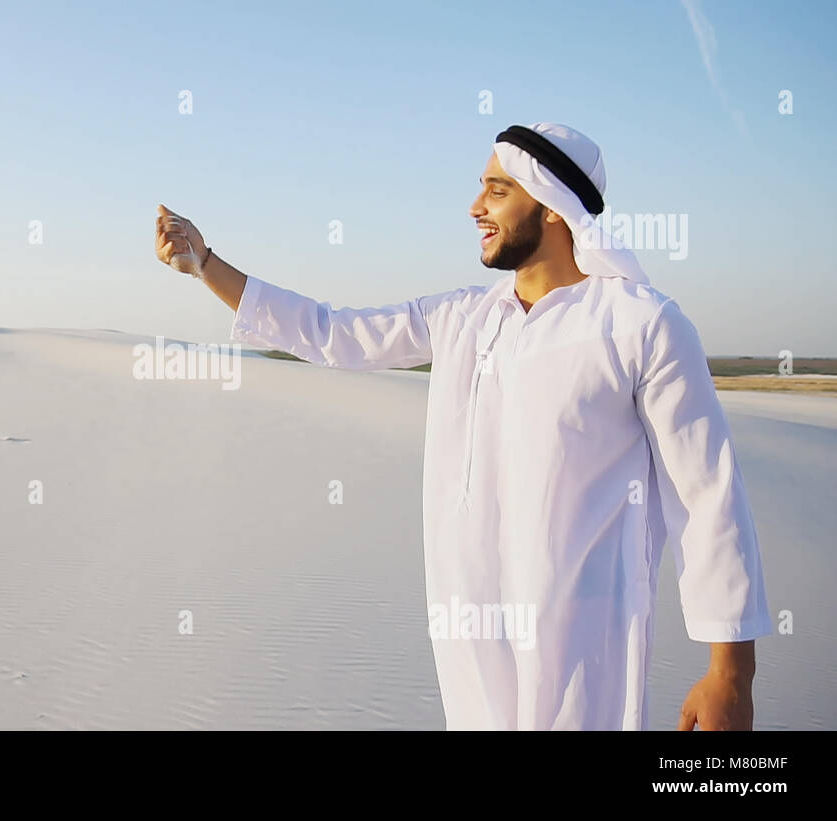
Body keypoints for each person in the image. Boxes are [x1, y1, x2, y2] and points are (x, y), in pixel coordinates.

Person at [152, 122, 771, 730]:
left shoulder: (642, 324)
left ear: (553, 208)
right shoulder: (462, 317)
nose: (475, 206)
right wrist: (205, 264)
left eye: (497, 190)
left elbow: (708, 495)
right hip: (470, 642)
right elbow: (330, 333)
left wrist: (730, 677)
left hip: (583, 650)